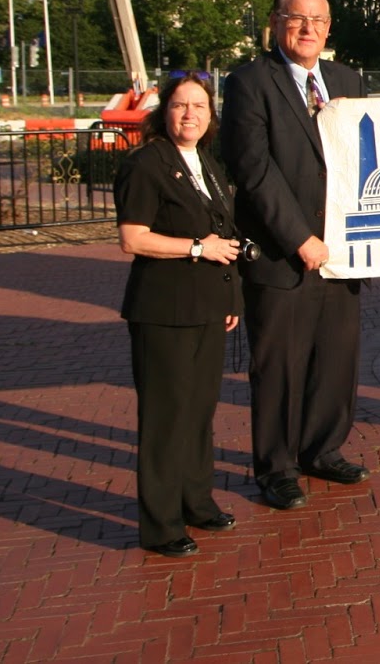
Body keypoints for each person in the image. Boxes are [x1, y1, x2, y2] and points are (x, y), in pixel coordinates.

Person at [221, 0, 368, 510]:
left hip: (341, 255)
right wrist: (299, 238)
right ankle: (277, 468)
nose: (308, 29)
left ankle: (322, 450)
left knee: (335, 359)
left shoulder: (347, 81)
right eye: (297, 18)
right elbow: (254, 171)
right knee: (279, 366)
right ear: (276, 22)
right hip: (281, 255)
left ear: (329, 28)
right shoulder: (248, 83)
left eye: (318, 20)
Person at [113, 70, 242, 557]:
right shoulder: (146, 164)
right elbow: (133, 238)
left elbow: (224, 234)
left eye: (199, 106)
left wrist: (230, 300)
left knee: (199, 412)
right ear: (164, 111)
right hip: (163, 309)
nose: (190, 114)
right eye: (180, 105)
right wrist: (196, 248)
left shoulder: (207, 163)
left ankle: (197, 502)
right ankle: (161, 524)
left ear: (211, 116)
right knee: (166, 418)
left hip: (208, 306)